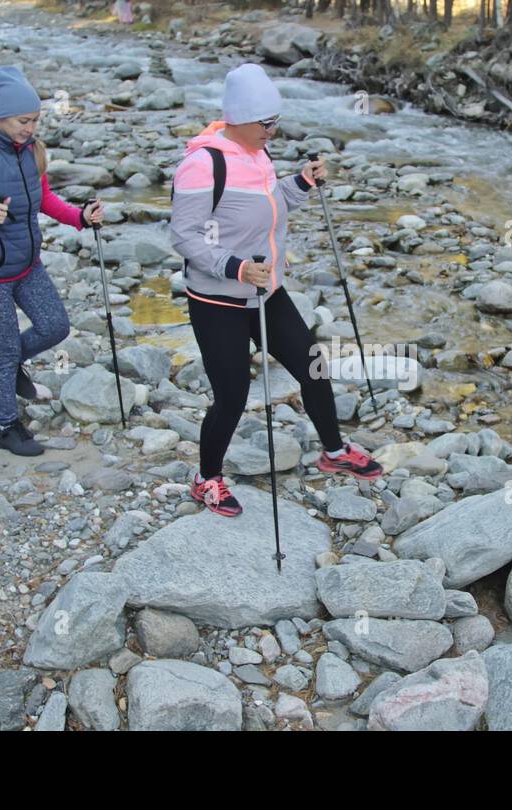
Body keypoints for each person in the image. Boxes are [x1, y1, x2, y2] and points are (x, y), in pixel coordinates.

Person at [169, 63, 384, 518]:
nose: (273, 131)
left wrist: (301, 183)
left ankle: (333, 451)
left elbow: (271, 203)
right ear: (238, 118)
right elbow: (185, 237)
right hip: (218, 299)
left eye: (276, 122)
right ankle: (206, 479)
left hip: (266, 291)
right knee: (232, 395)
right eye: (266, 123)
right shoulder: (203, 165)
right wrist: (237, 267)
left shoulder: (258, 153)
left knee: (314, 367)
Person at [0, 65, 104, 457]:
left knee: (55, 326)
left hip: (28, 265)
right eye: (22, 121)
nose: (30, 128)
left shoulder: (31, 151)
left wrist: (79, 218)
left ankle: (9, 363)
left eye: (35, 120)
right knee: (6, 346)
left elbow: (43, 200)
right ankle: (6, 427)